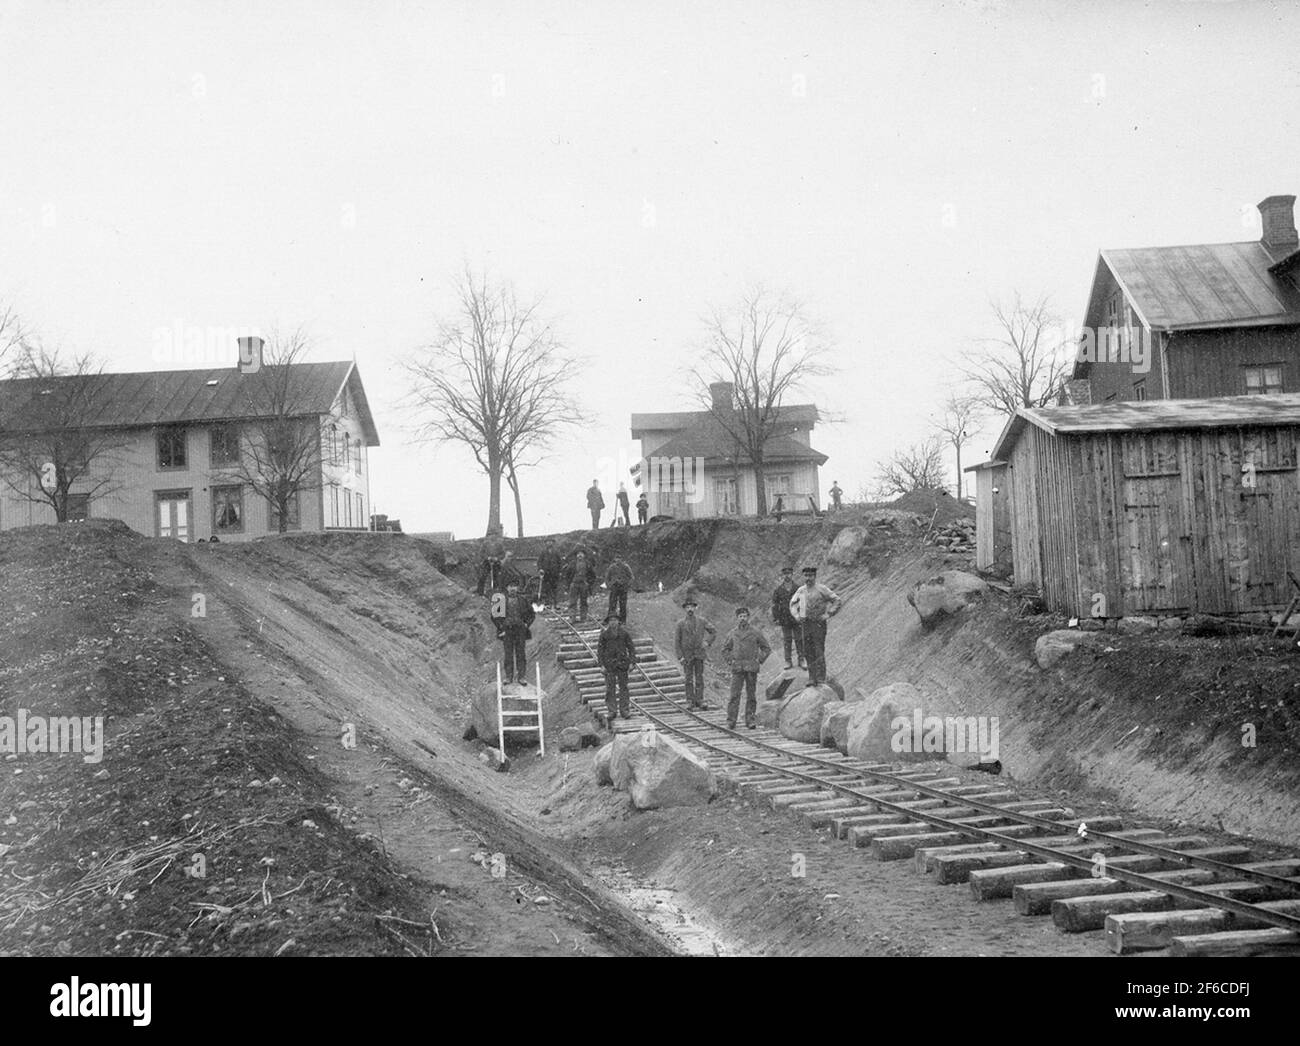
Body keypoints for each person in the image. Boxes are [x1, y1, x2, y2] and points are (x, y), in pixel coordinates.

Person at [789, 566, 842, 685]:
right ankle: (812, 677)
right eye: (806, 576)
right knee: (808, 651)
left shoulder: (822, 589)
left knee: (819, 650)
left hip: (818, 624)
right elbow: (792, 604)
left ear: (815, 576)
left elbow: (837, 600)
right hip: (805, 624)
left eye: (810, 576)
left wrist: (828, 613)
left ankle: (821, 678)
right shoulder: (801, 590)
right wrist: (797, 616)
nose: (808, 578)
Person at [721, 606, 771, 729]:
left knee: (751, 695)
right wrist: (730, 660)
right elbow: (725, 649)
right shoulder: (732, 633)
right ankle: (731, 720)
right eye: (740, 616)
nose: (743, 619)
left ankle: (750, 720)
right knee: (734, 695)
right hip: (737, 668)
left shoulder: (755, 632)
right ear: (737, 618)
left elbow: (766, 648)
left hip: (751, 668)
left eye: (745, 616)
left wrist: (759, 660)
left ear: (748, 617)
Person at [674, 598, 716, 710]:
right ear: (684, 609)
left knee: (699, 678)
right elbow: (677, 642)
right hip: (687, 656)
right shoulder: (680, 624)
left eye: (692, 607)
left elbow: (713, 631)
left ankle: (699, 700)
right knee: (688, 679)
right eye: (687, 607)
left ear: (695, 608)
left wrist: (707, 642)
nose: (690, 609)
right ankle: (689, 701)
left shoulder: (702, 621)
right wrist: (680, 657)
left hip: (699, 654)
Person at [491, 580, 535, 686]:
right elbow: (493, 616)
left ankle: (521, 677)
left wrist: (526, 625)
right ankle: (508, 677)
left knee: (521, 654)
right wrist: (500, 627)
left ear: (517, 588)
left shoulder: (523, 600)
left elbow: (532, 614)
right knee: (508, 654)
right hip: (507, 631)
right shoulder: (501, 601)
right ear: (507, 588)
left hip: (520, 631)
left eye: (514, 586)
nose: (512, 588)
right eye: (510, 586)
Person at [597, 612, 636, 721]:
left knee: (624, 688)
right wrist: (601, 665)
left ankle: (624, 710)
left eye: (615, 620)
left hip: (622, 665)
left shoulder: (624, 634)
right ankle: (612, 711)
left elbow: (631, 648)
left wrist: (632, 662)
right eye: (611, 620)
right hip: (609, 666)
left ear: (618, 621)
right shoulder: (604, 635)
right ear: (608, 622)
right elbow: (600, 651)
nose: (613, 622)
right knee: (610, 689)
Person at [770, 566, 805, 670]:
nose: (787, 575)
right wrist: (776, 618)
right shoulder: (778, 590)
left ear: (792, 574)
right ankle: (788, 661)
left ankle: (801, 660)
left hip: (796, 617)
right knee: (787, 640)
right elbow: (775, 605)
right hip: (784, 619)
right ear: (783, 575)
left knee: (799, 639)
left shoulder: (798, 588)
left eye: (789, 573)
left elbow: (802, 603)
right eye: (785, 574)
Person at [564, 551, 598, 621]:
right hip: (574, 584)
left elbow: (593, 575)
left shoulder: (588, 564)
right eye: (578, 554)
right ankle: (572, 618)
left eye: (581, 554)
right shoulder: (572, 563)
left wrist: (589, 583)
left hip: (584, 585)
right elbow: (567, 574)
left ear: (584, 555)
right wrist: (569, 584)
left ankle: (583, 618)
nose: (580, 555)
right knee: (572, 602)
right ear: (576, 555)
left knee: (584, 602)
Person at [605, 556, 634, 623]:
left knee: (623, 605)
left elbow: (631, 577)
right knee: (612, 604)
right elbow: (607, 578)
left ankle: (622, 620)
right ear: (615, 559)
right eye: (617, 558)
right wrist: (609, 586)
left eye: (619, 558)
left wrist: (627, 585)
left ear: (622, 559)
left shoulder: (626, 567)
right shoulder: (611, 567)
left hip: (623, 588)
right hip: (614, 588)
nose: (618, 560)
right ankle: (610, 619)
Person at [536, 540, 562, 608]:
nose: (549, 543)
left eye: (551, 541)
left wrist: (559, 571)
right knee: (546, 589)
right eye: (548, 541)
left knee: (555, 589)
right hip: (546, 573)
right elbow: (539, 562)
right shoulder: (543, 552)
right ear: (546, 543)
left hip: (554, 573)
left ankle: (556, 603)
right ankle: (547, 603)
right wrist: (540, 569)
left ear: (553, 543)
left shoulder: (556, 552)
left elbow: (560, 562)